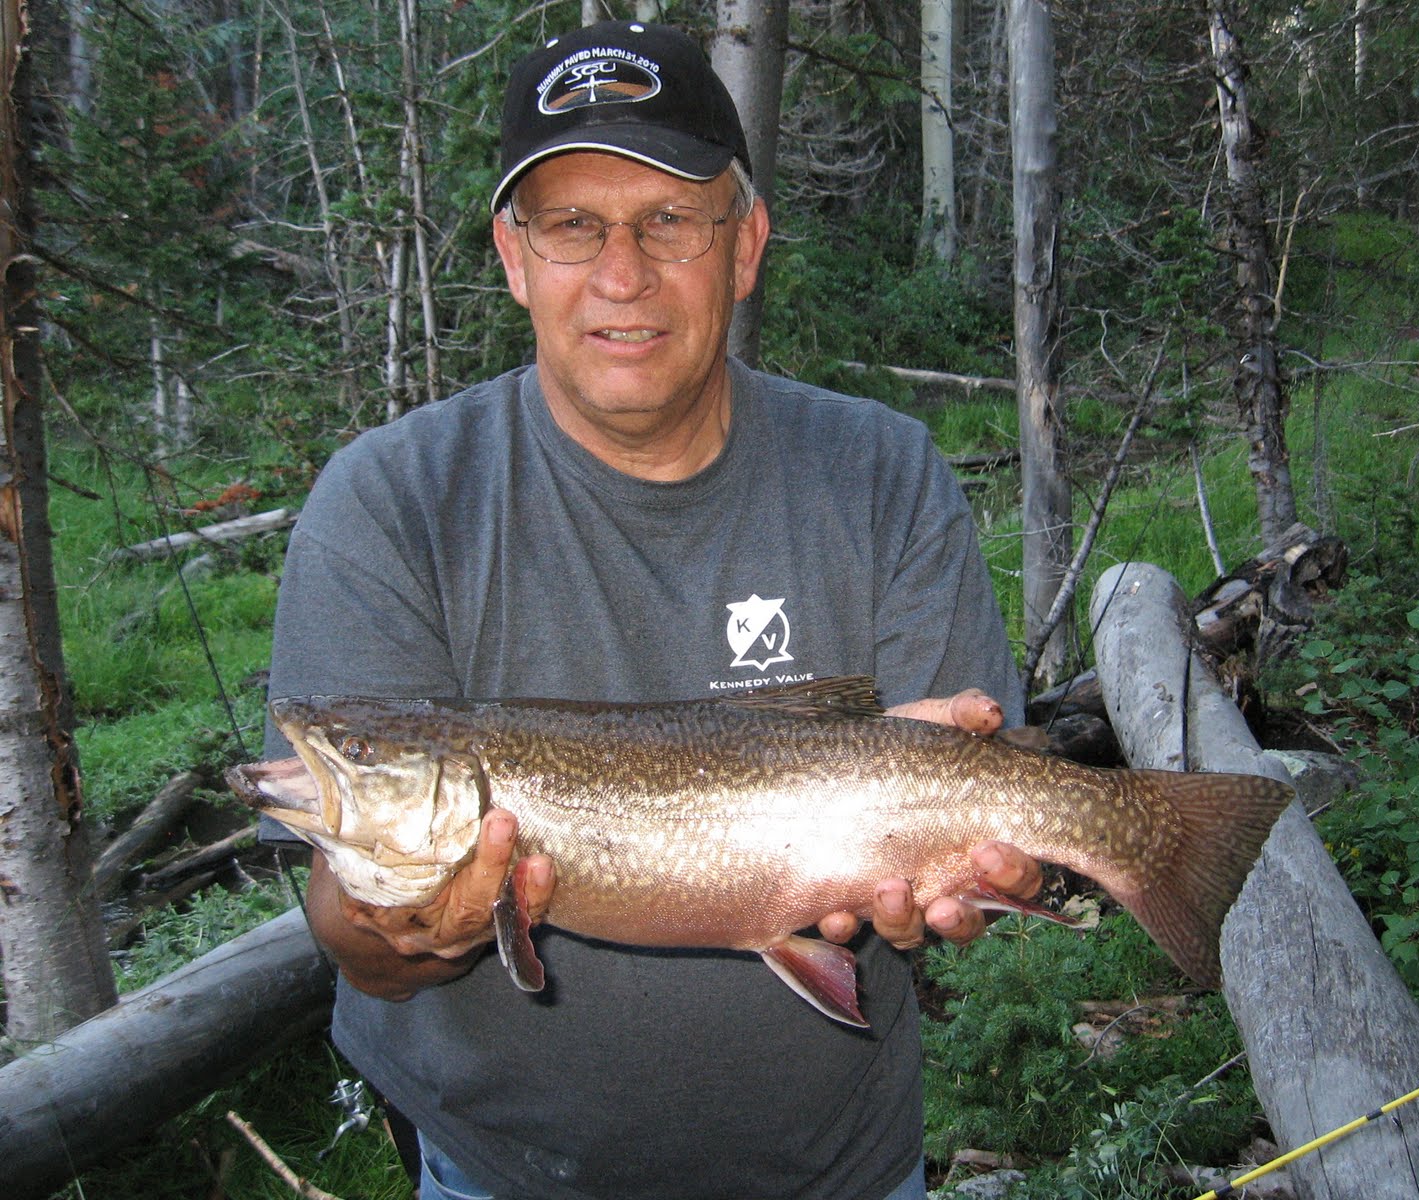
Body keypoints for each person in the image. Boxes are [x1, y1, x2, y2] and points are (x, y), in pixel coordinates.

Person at [263, 20, 1039, 1200]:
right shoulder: (388, 499)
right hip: (497, 1168)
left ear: (745, 245)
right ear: (514, 258)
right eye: (574, 225)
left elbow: (974, 791)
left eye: (669, 221)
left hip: (839, 1167)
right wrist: (401, 928)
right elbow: (353, 937)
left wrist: (964, 859)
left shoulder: (883, 471)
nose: (620, 273)